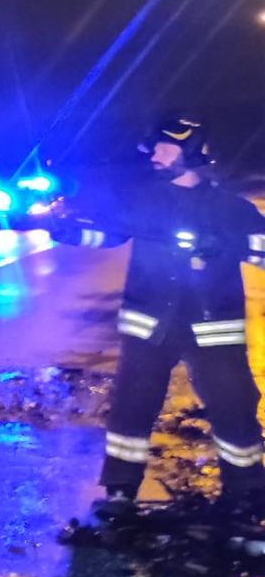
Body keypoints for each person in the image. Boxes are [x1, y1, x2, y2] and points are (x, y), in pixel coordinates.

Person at [59, 116, 265, 516]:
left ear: (191, 152)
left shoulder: (231, 210)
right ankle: (119, 491)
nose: (154, 154)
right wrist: (64, 229)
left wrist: (223, 246)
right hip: (150, 325)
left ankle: (248, 492)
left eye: (163, 148)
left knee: (235, 406)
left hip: (214, 328)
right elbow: (107, 233)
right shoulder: (141, 199)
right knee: (131, 406)